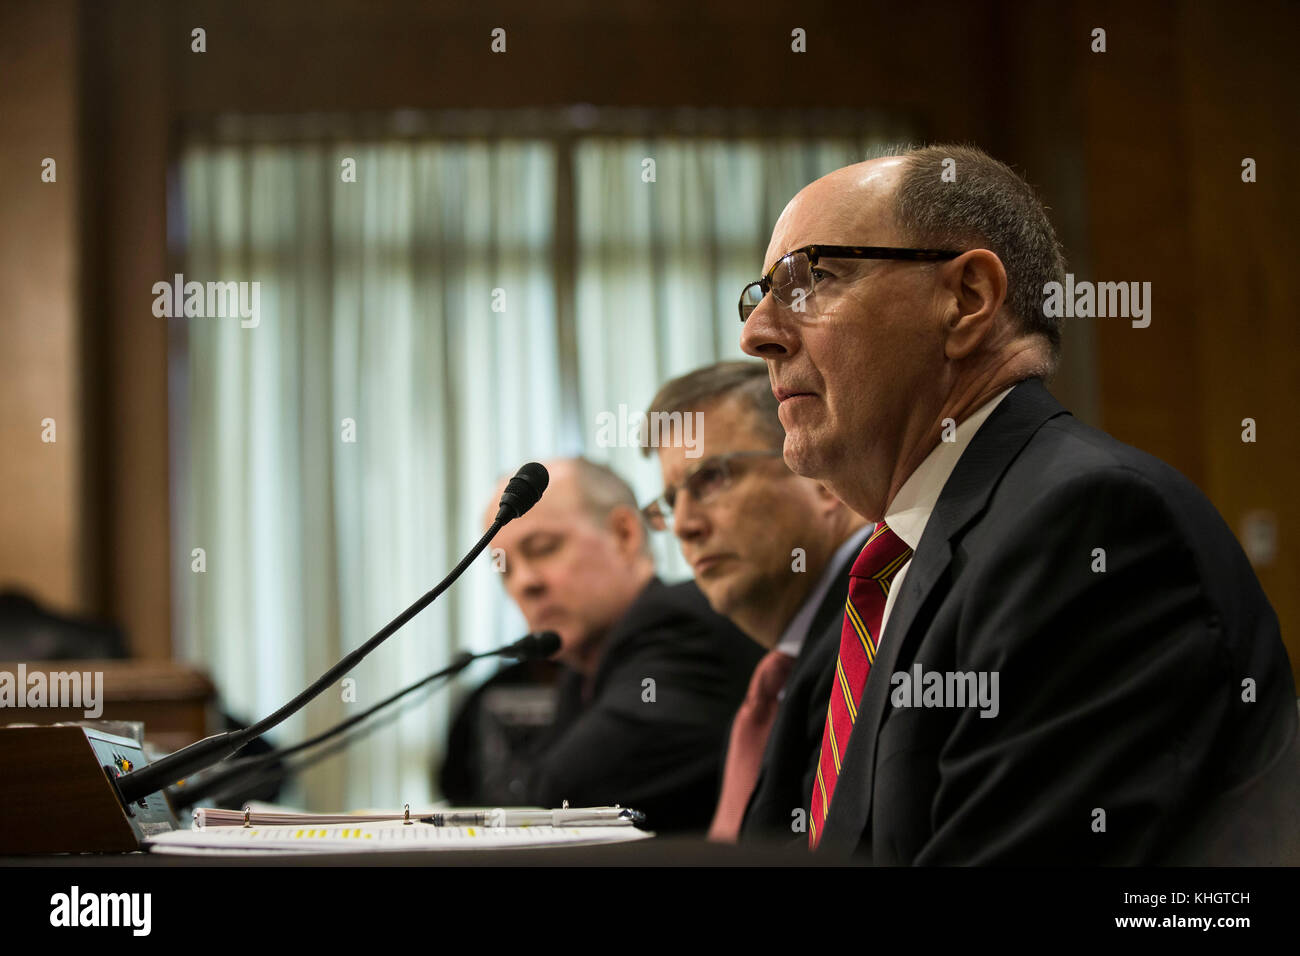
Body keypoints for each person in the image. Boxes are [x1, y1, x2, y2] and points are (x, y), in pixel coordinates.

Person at [738, 143, 1300, 864]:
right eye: (761, 294)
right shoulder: (887, 571)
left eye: (811, 278)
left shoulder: (1092, 528)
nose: (757, 335)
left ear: (967, 299)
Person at [643, 361, 869, 842]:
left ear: (820, 478)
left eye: (712, 478)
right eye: (670, 502)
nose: (684, 526)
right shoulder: (782, 667)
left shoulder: (876, 629)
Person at [479, 456, 761, 833]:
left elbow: (553, 798)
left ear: (625, 534)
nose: (524, 583)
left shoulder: (681, 628)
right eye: (506, 569)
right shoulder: (583, 671)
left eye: (544, 548)